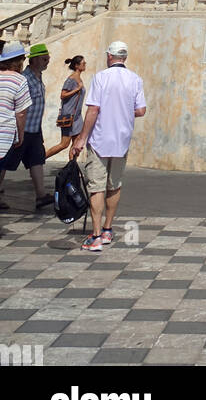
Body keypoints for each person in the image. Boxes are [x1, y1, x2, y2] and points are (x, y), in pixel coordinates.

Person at [71, 41, 146, 253]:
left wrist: (81, 138)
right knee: (114, 185)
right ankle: (107, 229)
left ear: (109, 56)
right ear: (125, 57)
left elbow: (93, 109)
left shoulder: (101, 77)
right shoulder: (135, 79)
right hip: (121, 140)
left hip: (100, 139)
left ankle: (95, 236)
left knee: (97, 186)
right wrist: (123, 111)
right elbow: (141, 110)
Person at [0, 42, 53, 210]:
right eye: (44, 59)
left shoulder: (37, 77)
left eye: (48, 58)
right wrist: (20, 132)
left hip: (34, 129)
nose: (47, 61)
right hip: (20, 129)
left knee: (37, 160)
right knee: (5, 163)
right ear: (33, 60)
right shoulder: (24, 79)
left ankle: (41, 195)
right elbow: (20, 111)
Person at [0, 42, 32, 211]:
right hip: (4, 134)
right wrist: (20, 135)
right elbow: (21, 113)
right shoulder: (20, 80)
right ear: (18, 61)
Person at [45, 55, 87, 159]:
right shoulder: (71, 79)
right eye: (83, 63)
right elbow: (63, 95)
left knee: (76, 143)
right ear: (77, 65)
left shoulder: (79, 78)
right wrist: (77, 89)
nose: (85, 64)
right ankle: (40, 159)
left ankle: (72, 166)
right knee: (64, 144)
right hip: (69, 115)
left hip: (77, 116)